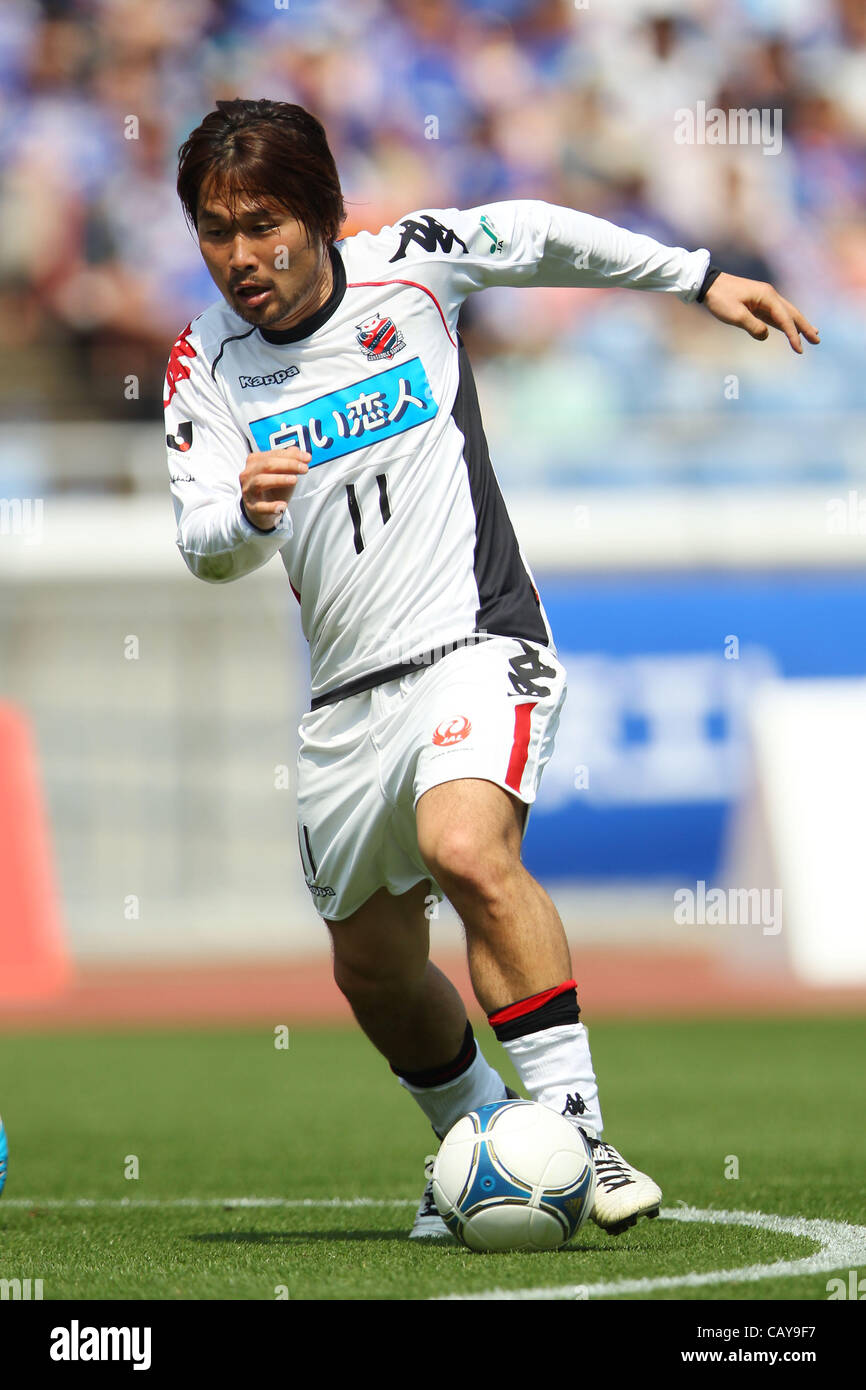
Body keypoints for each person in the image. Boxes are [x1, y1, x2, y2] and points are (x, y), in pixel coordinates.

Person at [164, 98, 818, 1240]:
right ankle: (476, 1137)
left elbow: (536, 232)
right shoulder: (201, 363)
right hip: (345, 698)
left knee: (464, 846)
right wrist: (244, 516)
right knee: (369, 970)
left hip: (477, 637)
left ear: (320, 214)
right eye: (213, 231)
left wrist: (693, 276)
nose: (237, 256)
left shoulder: (410, 271)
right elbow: (201, 544)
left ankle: (575, 1133)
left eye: (259, 223)